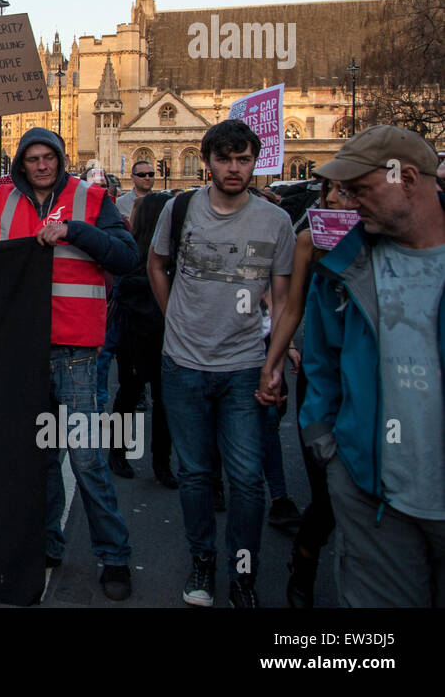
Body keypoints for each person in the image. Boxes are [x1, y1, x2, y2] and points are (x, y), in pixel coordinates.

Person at [0, 116, 138, 601]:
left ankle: (114, 556)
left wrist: (73, 231)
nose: (41, 165)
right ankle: (49, 544)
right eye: (32, 160)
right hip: (22, 347)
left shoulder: (93, 200)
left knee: (87, 459)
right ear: (21, 165)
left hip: (75, 351)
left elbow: (126, 258)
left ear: (60, 159)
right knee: (39, 459)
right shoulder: (3, 196)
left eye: (48, 157)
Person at [147, 119, 295, 608]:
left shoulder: (275, 222)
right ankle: (202, 561)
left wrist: (274, 362)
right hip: (184, 365)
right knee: (195, 476)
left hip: (243, 367)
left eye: (244, 159)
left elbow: (283, 298)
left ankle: (243, 572)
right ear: (207, 161)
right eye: (225, 159)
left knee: (248, 479)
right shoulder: (181, 207)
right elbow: (156, 263)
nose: (235, 168)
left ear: (256, 161)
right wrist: (175, 319)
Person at [295, 125, 445, 607]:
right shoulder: (341, 267)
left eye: (361, 188)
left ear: (409, 179)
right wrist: (327, 445)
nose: (348, 201)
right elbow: (322, 364)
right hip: (372, 495)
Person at [259, 176, 347, 606]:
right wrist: (275, 362)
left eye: (344, 191)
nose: (331, 199)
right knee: (328, 492)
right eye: (328, 189)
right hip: (324, 377)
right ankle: (305, 562)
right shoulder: (311, 239)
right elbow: (289, 306)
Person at [111, 191, 177, 488]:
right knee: (131, 394)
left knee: (160, 400)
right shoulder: (134, 252)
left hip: (157, 335)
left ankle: (159, 461)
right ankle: (121, 454)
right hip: (139, 333)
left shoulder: (169, 253)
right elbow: (123, 289)